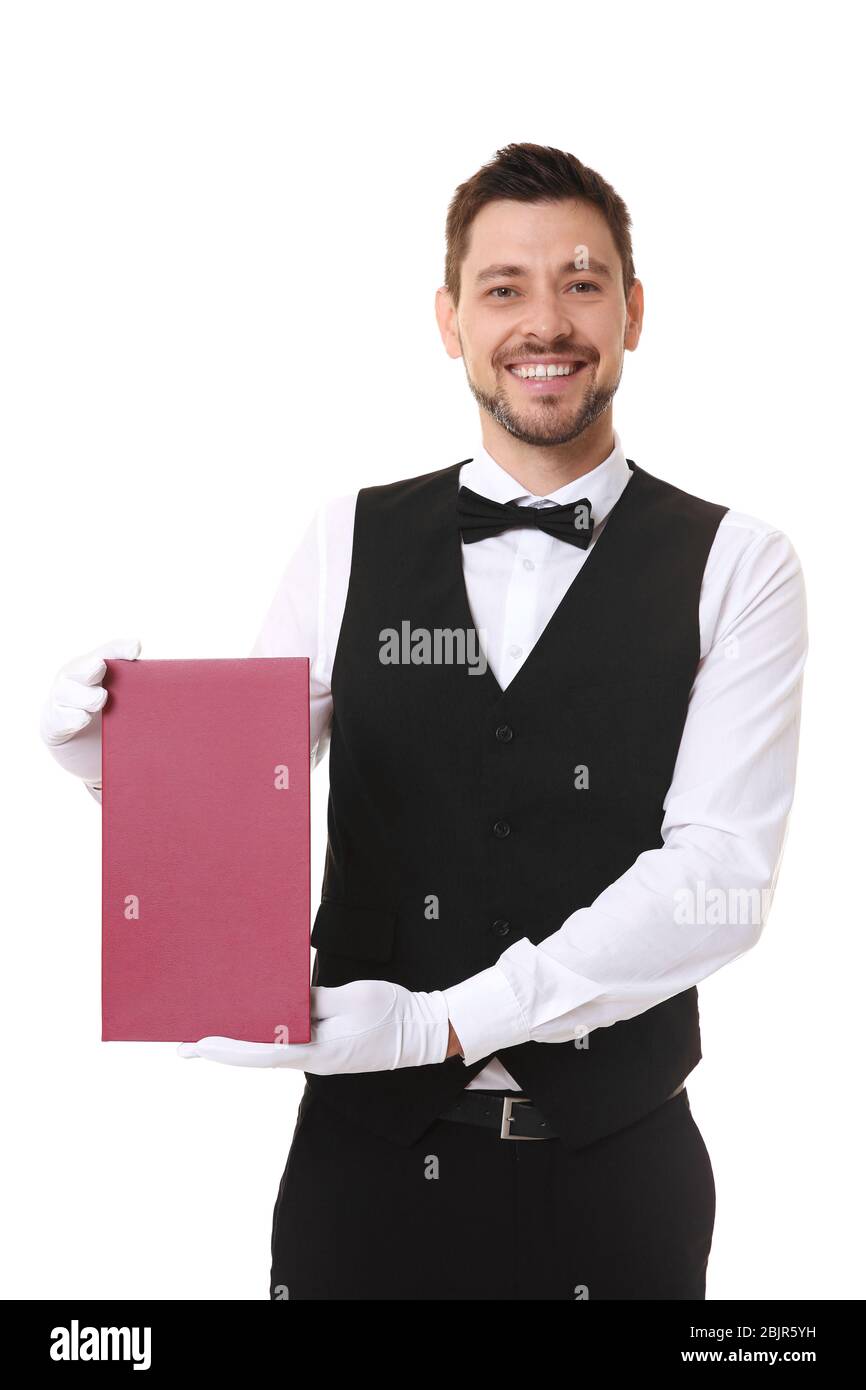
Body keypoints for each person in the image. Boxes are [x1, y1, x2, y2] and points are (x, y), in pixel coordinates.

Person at [40, 142, 808, 1301]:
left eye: (581, 282)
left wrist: (441, 1023)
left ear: (633, 311)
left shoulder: (739, 565)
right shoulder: (347, 534)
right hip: (362, 1182)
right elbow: (241, 797)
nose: (542, 321)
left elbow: (720, 877)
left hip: (618, 1184)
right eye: (503, 287)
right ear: (448, 319)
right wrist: (119, 769)